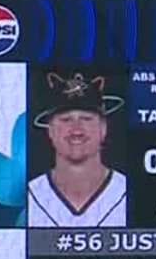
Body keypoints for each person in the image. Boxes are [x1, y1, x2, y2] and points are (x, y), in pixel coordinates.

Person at [27, 71, 127, 228]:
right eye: (66, 120)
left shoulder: (127, 192)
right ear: (50, 131)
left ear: (103, 128)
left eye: (86, 119)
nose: (76, 130)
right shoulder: (29, 196)